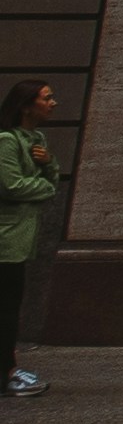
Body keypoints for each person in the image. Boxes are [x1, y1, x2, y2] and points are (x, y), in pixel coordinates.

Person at [0, 78, 61, 398]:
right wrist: (47, 188)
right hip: (5, 238)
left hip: (19, 237)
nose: (52, 104)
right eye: (46, 98)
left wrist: (48, 164)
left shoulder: (36, 138)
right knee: (5, 309)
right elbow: (10, 185)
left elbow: (50, 173)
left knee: (10, 306)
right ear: (26, 105)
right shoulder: (7, 141)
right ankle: (5, 374)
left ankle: (9, 368)